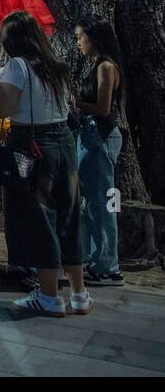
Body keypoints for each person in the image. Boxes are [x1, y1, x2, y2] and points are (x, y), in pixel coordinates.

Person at [0, 10, 87, 316]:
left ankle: (48, 296)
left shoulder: (18, 66)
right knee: (67, 216)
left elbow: (3, 109)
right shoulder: (54, 65)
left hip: (30, 147)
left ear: (13, 39)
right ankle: (80, 295)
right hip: (64, 143)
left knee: (37, 215)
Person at [75, 18, 124, 286]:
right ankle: (96, 259)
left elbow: (103, 108)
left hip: (100, 137)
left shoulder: (106, 67)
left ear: (93, 38)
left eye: (81, 36)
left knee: (103, 203)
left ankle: (107, 265)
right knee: (90, 202)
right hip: (91, 135)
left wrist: (75, 102)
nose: (78, 42)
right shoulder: (95, 65)